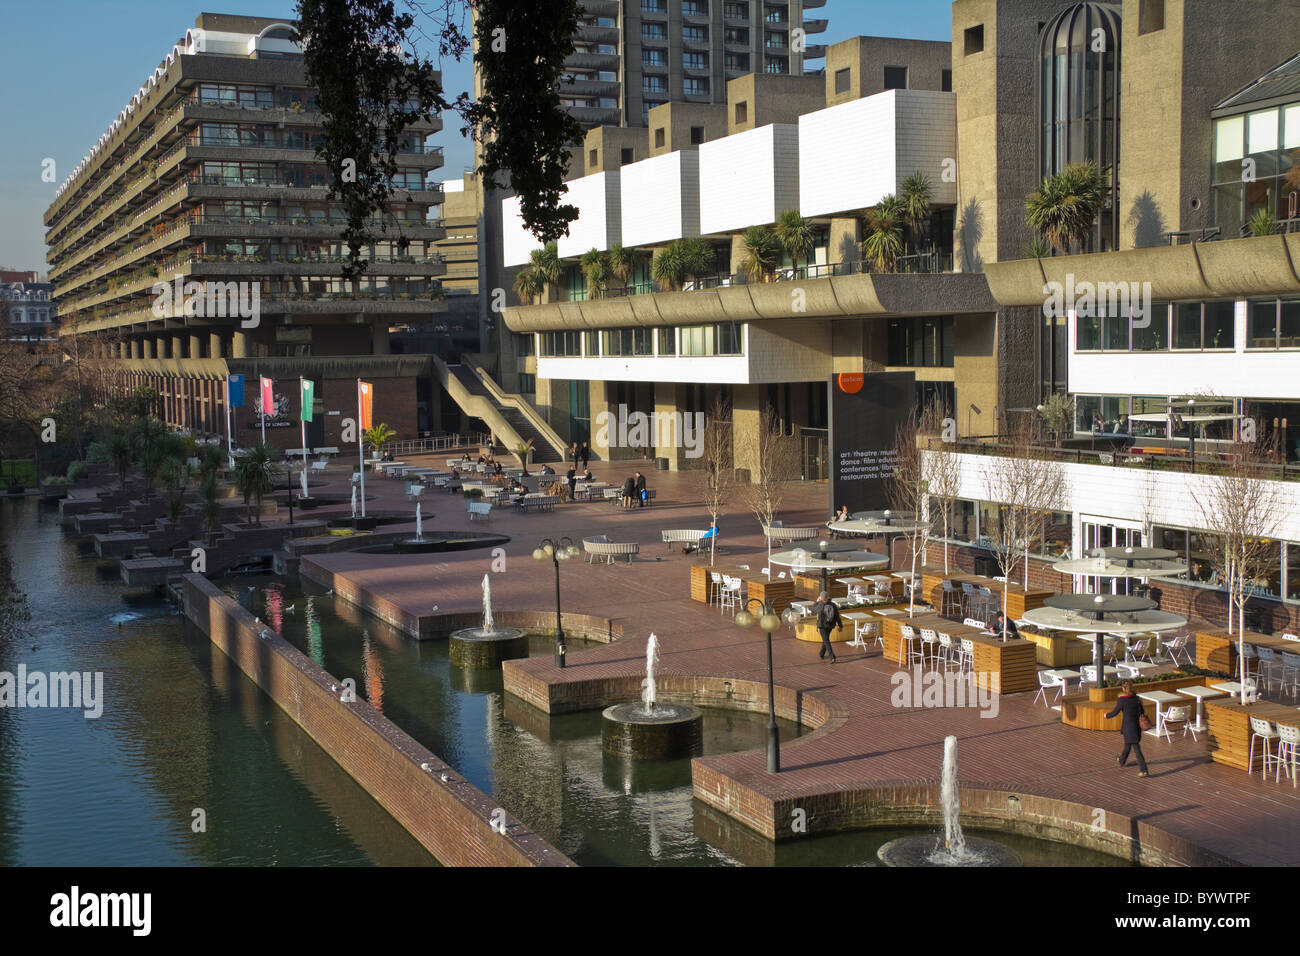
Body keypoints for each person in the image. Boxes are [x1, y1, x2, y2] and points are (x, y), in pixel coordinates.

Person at [1105, 680, 1150, 777]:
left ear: (1123, 689)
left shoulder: (1122, 700)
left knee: (1136, 748)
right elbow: (1142, 711)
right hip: (1137, 726)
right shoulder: (1137, 699)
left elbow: (1115, 712)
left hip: (1128, 727)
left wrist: (1106, 715)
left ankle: (1144, 770)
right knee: (1128, 745)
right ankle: (1121, 760)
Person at [814, 591, 840, 664]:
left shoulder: (820, 605)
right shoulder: (833, 605)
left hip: (822, 625)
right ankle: (821, 653)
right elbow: (837, 616)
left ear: (821, 598)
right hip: (830, 625)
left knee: (826, 641)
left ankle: (832, 657)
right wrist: (840, 625)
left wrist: (817, 602)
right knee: (826, 640)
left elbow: (813, 610)